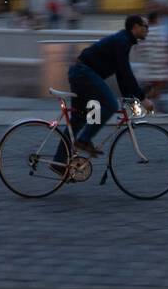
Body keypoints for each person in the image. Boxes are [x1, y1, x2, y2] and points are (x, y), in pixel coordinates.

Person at [52, 15, 149, 173]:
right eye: (146, 26)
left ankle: (58, 162)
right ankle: (84, 140)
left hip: (81, 73)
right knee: (110, 105)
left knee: (79, 119)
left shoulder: (123, 41)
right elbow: (125, 72)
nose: (148, 30)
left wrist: (131, 99)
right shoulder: (122, 41)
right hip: (84, 73)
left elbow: (122, 75)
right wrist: (142, 98)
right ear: (135, 27)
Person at [134, 10, 168, 113]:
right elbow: (166, 46)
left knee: (153, 87)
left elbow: (139, 48)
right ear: (156, 19)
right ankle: (144, 104)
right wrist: (167, 58)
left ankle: (152, 107)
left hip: (148, 65)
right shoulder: (160, 31)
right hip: (159, 65)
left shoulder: (144, 31)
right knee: (157, 88)